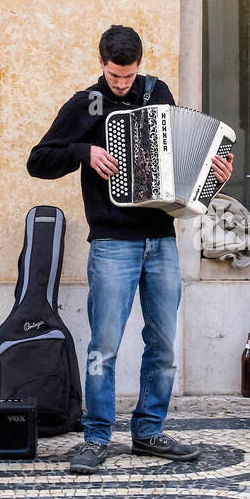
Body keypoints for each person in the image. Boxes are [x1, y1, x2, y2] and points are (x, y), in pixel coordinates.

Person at [28, 25, 232, 474]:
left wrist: (215, 175)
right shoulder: (86, 103)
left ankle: (149, 431)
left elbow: (183, 168)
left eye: (128, 75)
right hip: (112, 242)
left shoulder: (157, 92)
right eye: (114, 75)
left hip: (160, 239)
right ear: (101, 62)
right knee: (104, 344)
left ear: (140, 64)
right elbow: (38, 160)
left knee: (162, 342)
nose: (121, 83)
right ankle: (97, 436)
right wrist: (84, 151)